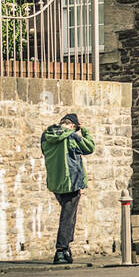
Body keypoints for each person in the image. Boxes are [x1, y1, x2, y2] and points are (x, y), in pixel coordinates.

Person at [41, 113, 95, 265]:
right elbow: (89, 147)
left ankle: (66, 249)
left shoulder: (45, 136)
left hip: (55, 182)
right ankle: (61, 249)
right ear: (72, 125)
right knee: (67, 216)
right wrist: (84, 132)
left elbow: (45, 152)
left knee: (69, 215)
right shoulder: (71, 136)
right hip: (71, 181)